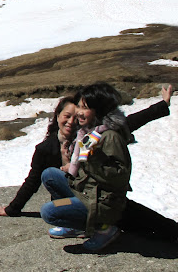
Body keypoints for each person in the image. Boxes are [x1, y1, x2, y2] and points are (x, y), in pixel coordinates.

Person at [0, 84, 173, 236]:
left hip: (98, 196)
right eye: (66, 116)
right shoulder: (47, 148)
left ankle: (101, 226)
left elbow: (129, 122)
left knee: (150, 222)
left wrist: (162, 105)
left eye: (75, 115)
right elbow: (33, 179)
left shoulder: (91, 135)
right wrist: (12, 209)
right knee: (50, 178)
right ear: (57, 117)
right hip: (77, 196)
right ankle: (78, 223)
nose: (71, 121)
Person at [39, 83, 134, 252]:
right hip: (89, 191)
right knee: (50, 175)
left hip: (103, 201)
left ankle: (105, 229)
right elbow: (87, 166)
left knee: (49, 212)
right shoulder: (90, 132)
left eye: (85, 108)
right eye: (80, 107)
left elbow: (120, 177)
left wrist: (95, 158)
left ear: (100, 110)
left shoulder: (110, 136)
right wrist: (72, 164)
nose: (79, 112)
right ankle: (79, 227)